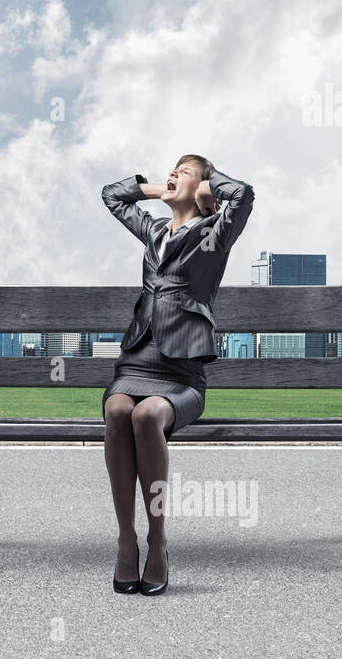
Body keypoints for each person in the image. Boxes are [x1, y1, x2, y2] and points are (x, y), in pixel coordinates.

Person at [100, 155, 255, 596]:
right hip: (136, 360)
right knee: (118, 410)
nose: (172, 174)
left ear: (203, 190)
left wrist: (207, 184)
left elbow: (243, 195)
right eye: (172, 169)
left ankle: (158, 540)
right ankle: (126, 541)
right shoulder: (153, 231)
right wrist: (161, 189)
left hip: (181, 376)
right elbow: (112, 196)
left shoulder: (215, 233)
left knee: (147, 415)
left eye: (183, 171)